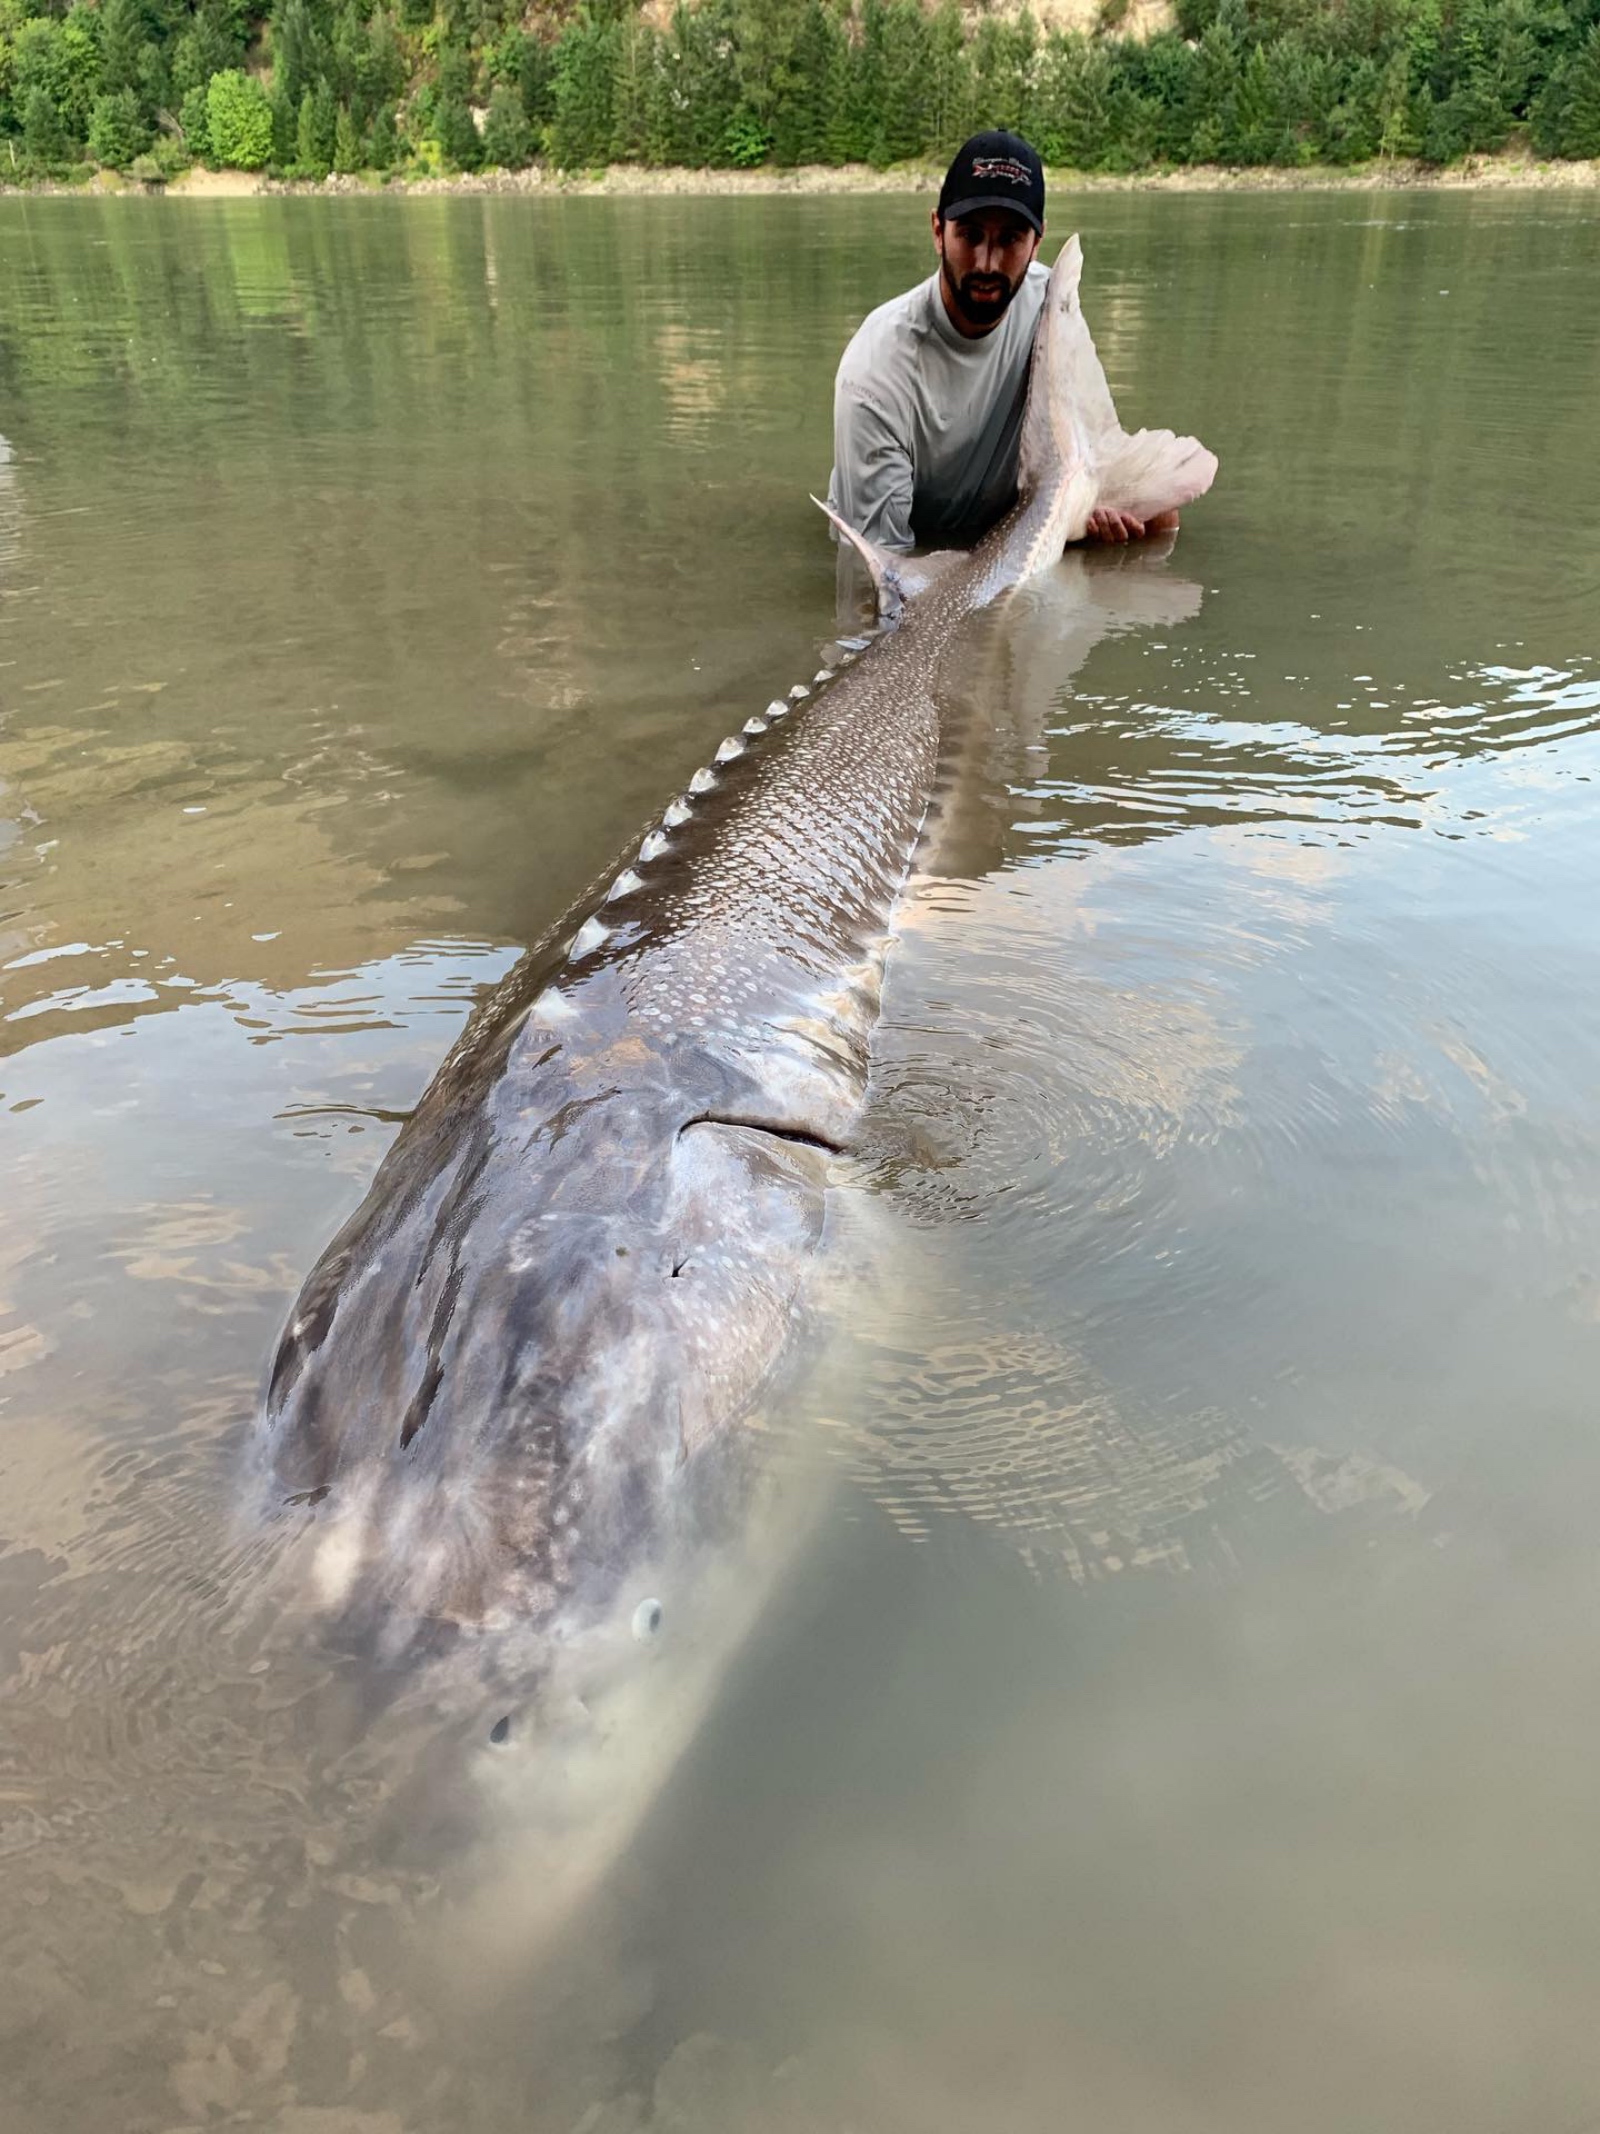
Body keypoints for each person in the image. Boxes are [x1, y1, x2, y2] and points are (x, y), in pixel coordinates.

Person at [827, 130, 1177, 579]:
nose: (987, 264)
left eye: (1010, 239)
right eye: (970, 235)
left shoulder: (1051, 307)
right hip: (912, 534)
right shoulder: (875, 368)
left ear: (1037, 241)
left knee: (1162, 522)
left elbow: (1089, 448)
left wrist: (1091, 515)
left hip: (1011, 526)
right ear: (938, 230)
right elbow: (880, 572)